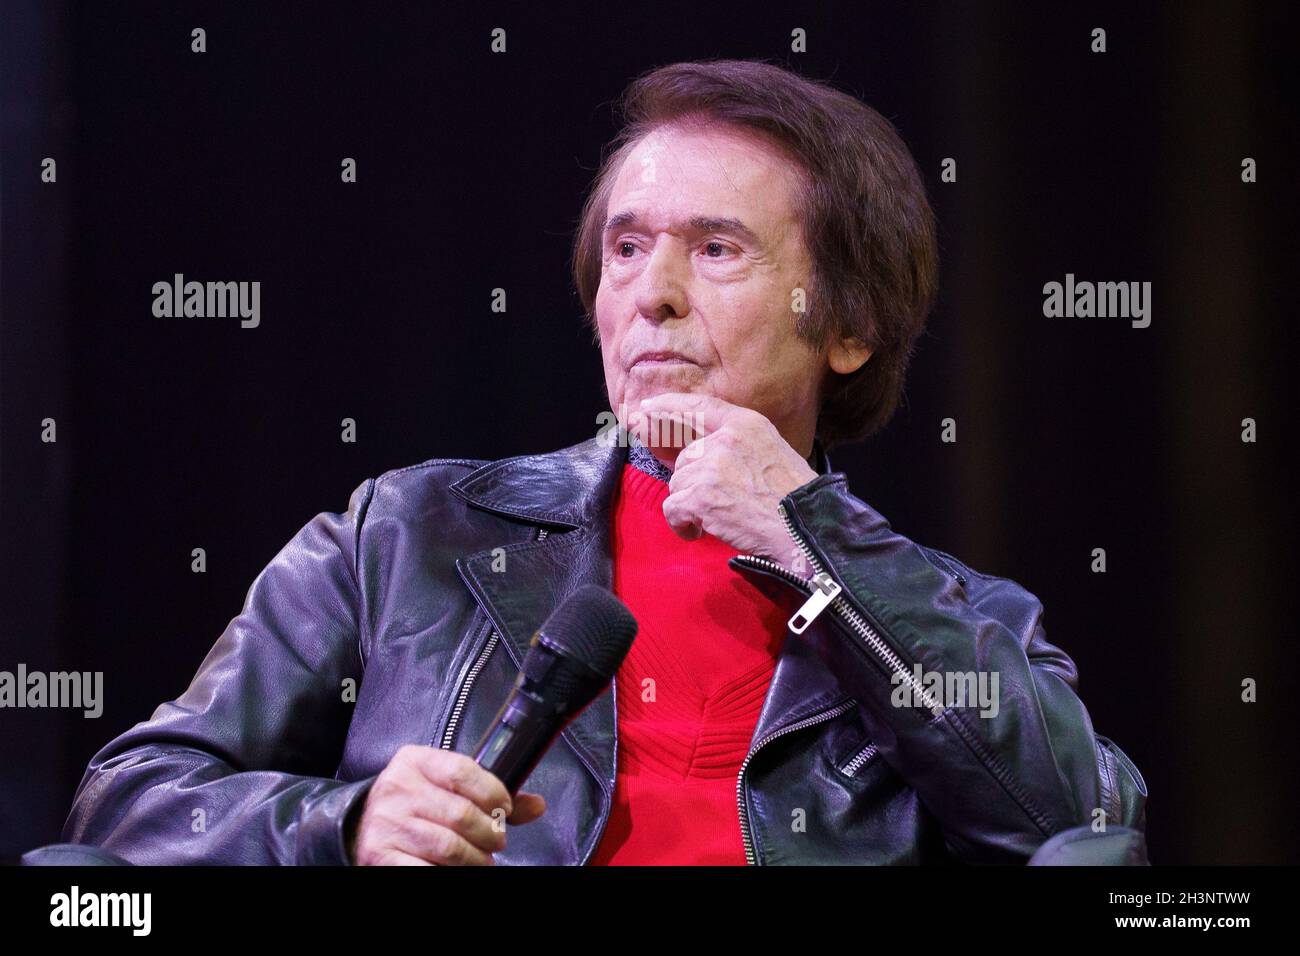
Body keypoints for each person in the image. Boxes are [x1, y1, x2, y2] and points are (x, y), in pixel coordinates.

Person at [60, 59, 1147, 866]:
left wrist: (811, 541)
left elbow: (1083, 830)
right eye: (627, 246)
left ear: (849, 326)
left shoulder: (959, 612)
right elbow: (127, 805)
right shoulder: (405, 534)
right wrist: (340, 824)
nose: (651, 291)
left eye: (716, 248)